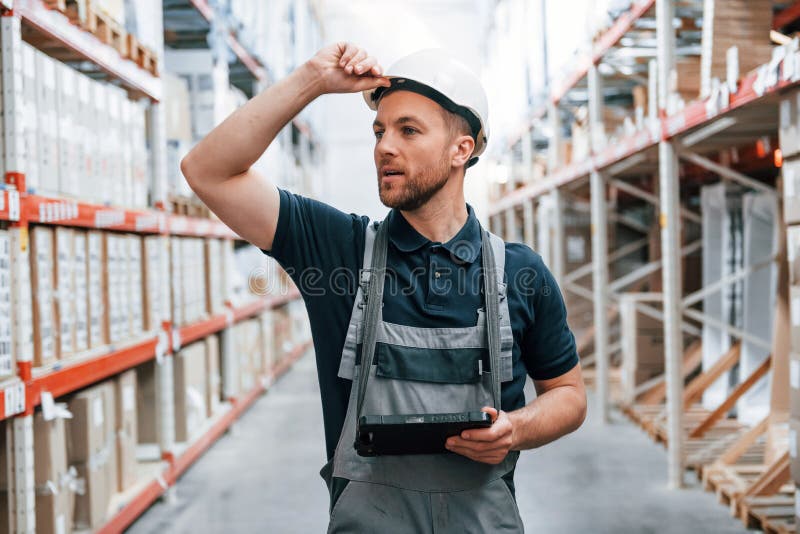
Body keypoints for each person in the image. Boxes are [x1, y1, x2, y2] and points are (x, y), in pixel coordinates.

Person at [181, 42, 587, 533]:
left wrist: (515, 429)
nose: (383, 147)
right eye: (379, 131)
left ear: (463, 150)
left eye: (408, 130)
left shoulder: (520, 273)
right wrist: (312, 78)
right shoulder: (339, 252)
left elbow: (568, 395)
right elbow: (207, 171)